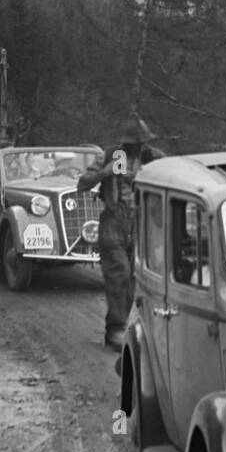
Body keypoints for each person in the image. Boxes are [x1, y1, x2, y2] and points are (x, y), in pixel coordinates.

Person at [77, 117, 161, 351]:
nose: (138, 147)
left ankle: (123, 327)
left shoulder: (154, 158)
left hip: (142, 223)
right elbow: (82, 184)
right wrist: (106, 172)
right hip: (113, 221)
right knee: (119, 275)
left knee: (136, 278)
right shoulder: (110, 155)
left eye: (142, 142)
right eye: (135, 143)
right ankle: (115, 329)